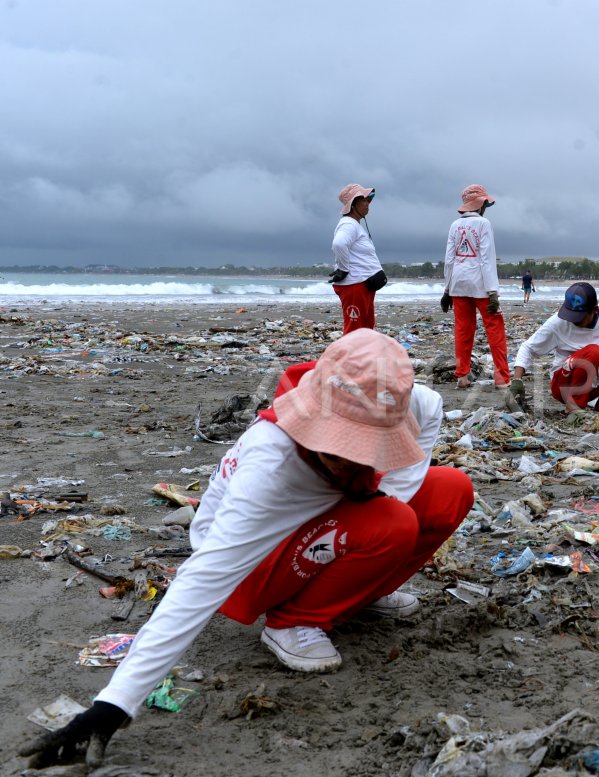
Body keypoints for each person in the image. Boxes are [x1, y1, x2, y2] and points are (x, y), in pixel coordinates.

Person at [20, 329, 473, 770]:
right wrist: (113, 705)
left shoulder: (405, 400)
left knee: (448, 489)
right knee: (391, 522)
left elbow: (428, 415)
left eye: (367, 447)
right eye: (342, 448)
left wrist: (384, 490)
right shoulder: (270, 466)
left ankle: (357, 588)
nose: (355, 459)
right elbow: (203, 579)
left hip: (325, 531)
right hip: (250, 567)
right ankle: (292, 623)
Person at [507, 282, 599, 414]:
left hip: (595, 382)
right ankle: (574, 406)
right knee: (593, 351)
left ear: (594, 310)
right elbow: (528, 347)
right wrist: (517, 380)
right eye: (570, 314)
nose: (573, 320)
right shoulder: (558, 322)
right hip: (564, 385)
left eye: (579, 316)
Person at [444, 184, 509, 389]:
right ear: (480, 204)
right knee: (495, 328)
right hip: (480, 284)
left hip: (458, 283)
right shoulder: (483, 224)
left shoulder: (455, 225)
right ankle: (502, 378)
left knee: (463, 330)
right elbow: (486, 259)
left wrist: (447, 289)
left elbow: (449, 259)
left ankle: (462, 376)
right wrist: (493, 292)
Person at [330, 184, 388, 334]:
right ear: (354, 203)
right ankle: (351, 358)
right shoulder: (348, 224)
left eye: (370, 199)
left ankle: (364, 357)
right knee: (355, 332)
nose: (368, 203)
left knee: (366, 329)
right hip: (354, 286)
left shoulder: (355, 225)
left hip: (363, 285)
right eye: (365, 200)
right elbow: (339, 243)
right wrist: (343, 269)